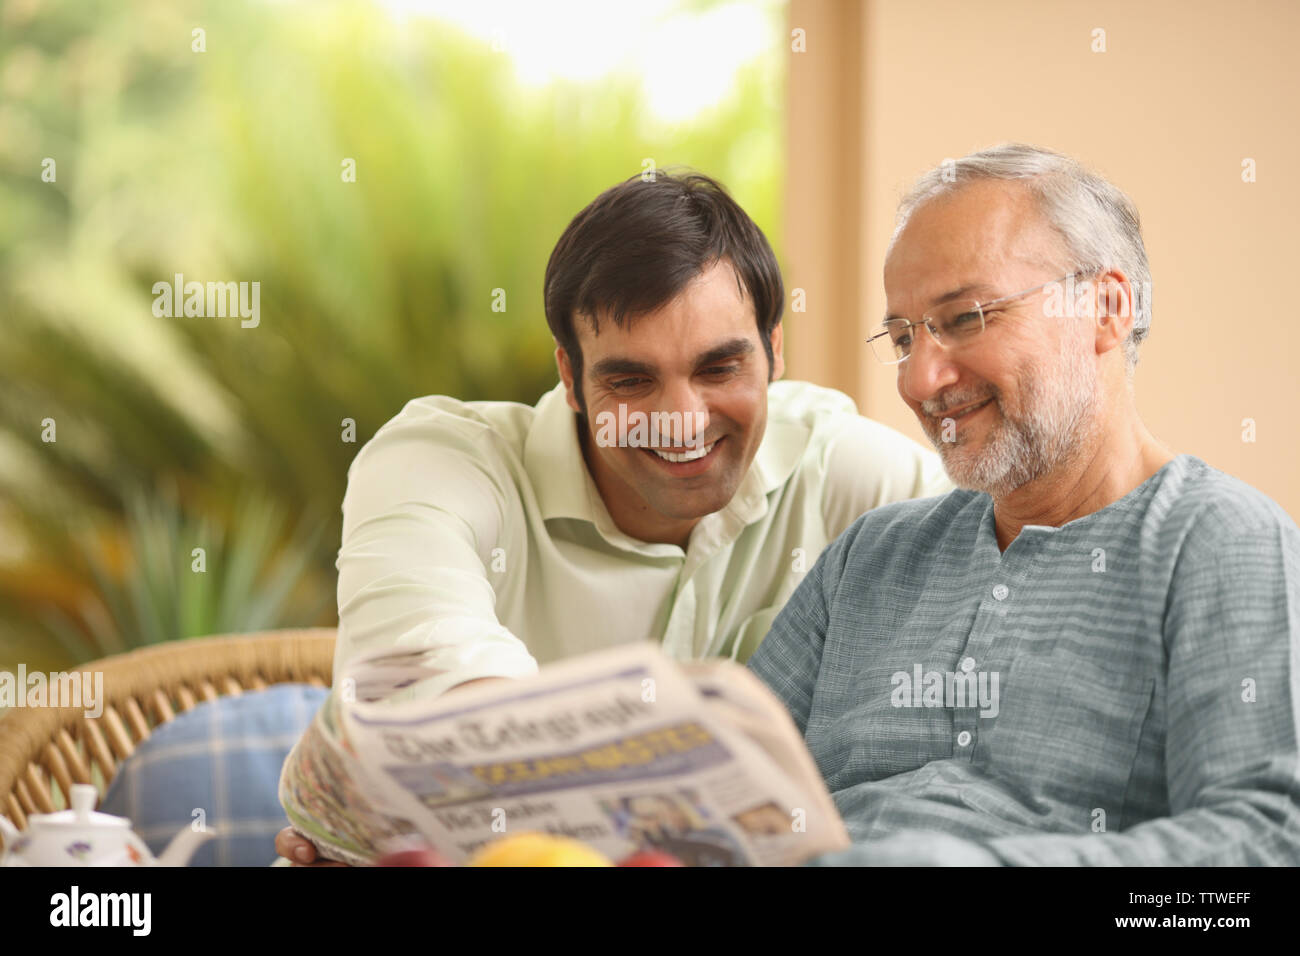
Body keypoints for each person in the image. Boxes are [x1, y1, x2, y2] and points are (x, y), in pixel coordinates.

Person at [278, 169, 949, 864]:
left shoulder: (852, 474)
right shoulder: (439, 464)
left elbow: (1002, 615)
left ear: (775, 351)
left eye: (719, 368)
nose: (682, 421)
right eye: (630, 381)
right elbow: (441, 696)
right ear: (569, 376)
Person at [749, 143, 1300, 866]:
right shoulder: (870, 557)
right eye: (905, 336)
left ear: (1104, 309)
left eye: (967, 318)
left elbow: (1264, 842)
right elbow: (726, 783)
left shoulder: (1222, 542)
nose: (921, 378)